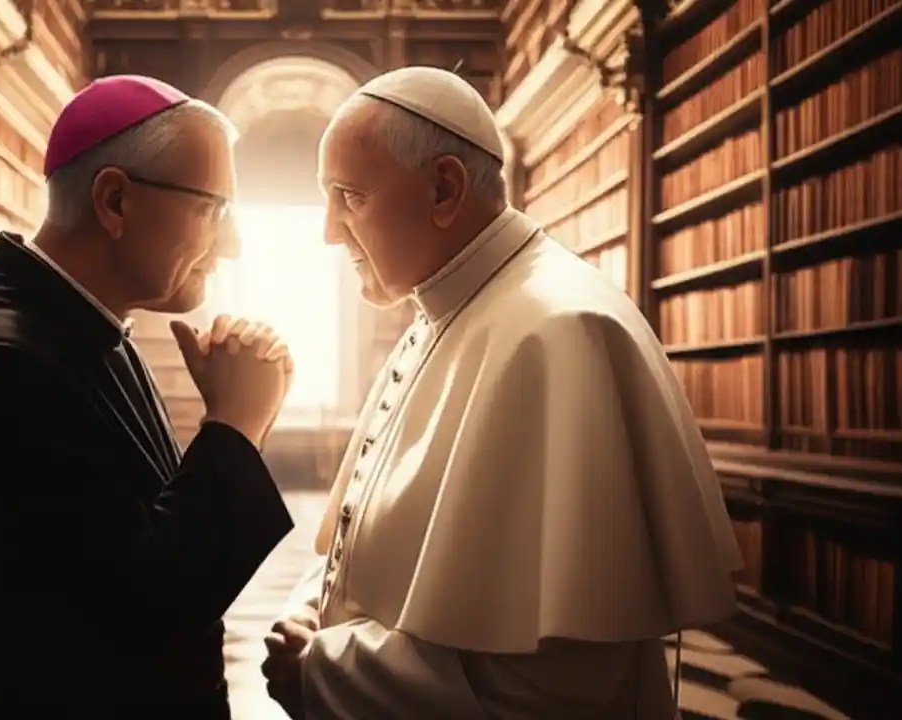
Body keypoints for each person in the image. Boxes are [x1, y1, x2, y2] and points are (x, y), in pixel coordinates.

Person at [261, 66, 743, 718]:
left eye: (349, 195)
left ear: (444, 188)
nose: (327, 230)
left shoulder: (561, 331)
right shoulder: (443, 309)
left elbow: (558, 686)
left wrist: (325, 670)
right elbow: (365, 553)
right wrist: (309, 612)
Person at [0, 75, 296, 718]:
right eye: (213, 209)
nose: (232, 246)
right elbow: (143, 607)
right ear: (116, 201)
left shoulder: (81, 326)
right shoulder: (1, 360)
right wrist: (237, 425)